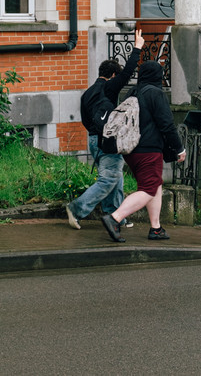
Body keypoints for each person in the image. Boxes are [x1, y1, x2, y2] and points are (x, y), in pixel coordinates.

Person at [100, 60, 186, 242]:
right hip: (149, 150)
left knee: (154, 184)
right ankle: (114, 218)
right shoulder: (155, 93)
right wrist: (179, 148)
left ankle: (156, 228)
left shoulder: (133, 92)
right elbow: (167, 124)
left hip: (131, 150)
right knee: (148, 188)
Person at [67, 29, 145, 229]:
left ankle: (116, 216)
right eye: (116, 77)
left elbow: (86, 119)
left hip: (93, 139)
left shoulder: (88, 93)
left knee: (116, 179)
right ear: (112, 75)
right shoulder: (108, 88)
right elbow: (127, 73)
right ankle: (76, 209)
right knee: (108, 178)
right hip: (108, 140)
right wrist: (137, 48)